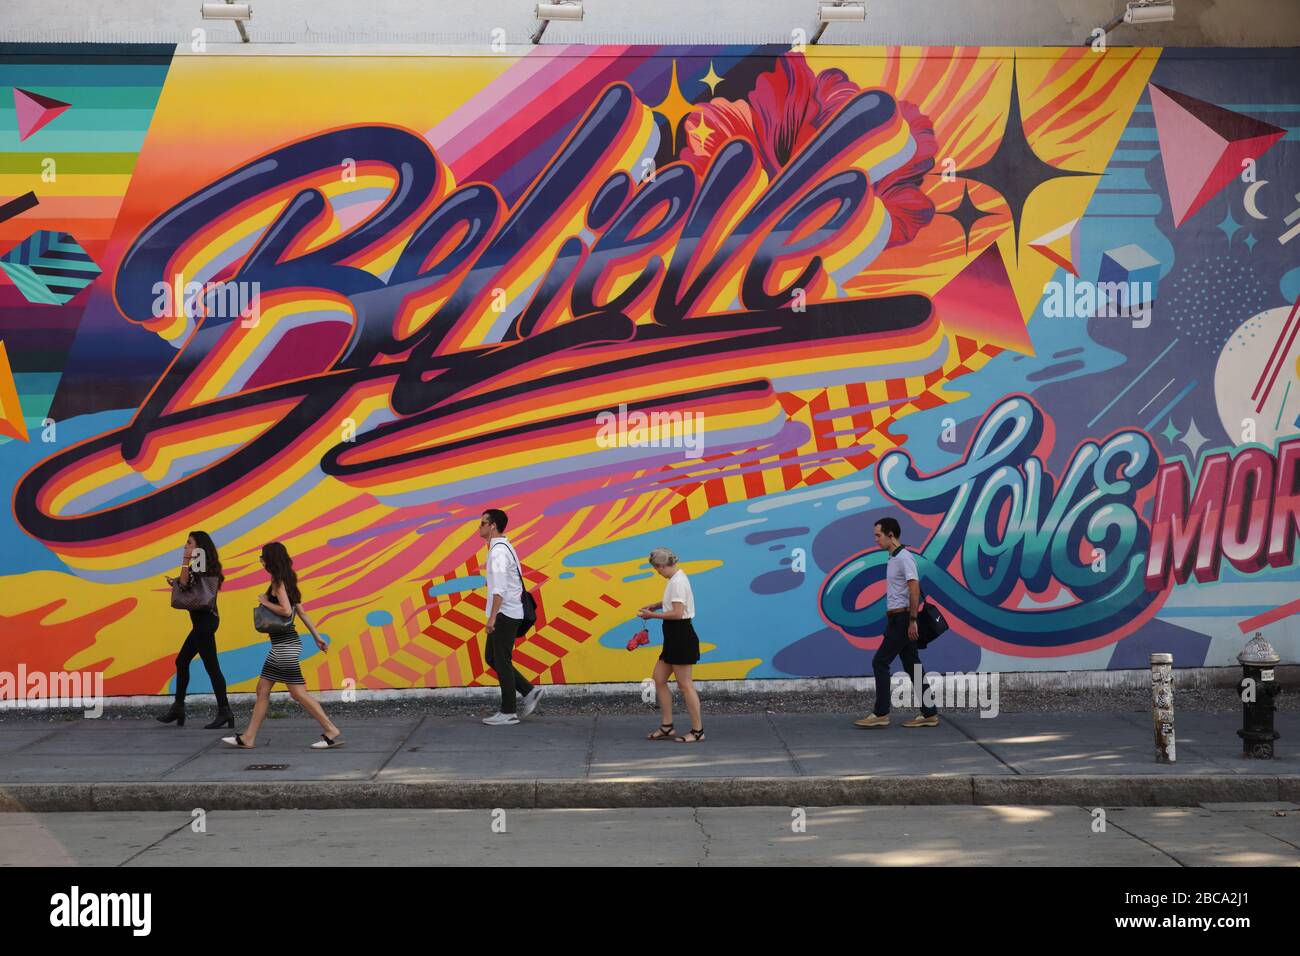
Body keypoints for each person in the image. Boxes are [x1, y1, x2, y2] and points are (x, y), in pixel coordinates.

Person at [222, 542, 343, 749]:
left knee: (292, 692)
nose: (261, 561)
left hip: (285, 645)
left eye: (263, 557)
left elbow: (287, 611)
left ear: (270, 559)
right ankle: (249, 737)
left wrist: (264, 601)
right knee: (267, 690)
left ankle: (330, 729)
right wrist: (316, 637)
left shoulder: (279, 583)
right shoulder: (287, 579)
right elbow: (301, 613)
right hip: (286, 644)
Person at [855, 517, 939, 728]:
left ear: (890, 535)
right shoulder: (893, 558)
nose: (875, 539)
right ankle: (929, 713)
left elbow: (914, 588)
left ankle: (881, 713)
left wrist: (912, 620)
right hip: (896, 618)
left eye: (878, 535)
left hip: (903, 619)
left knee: (880, 662)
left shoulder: (904, 558)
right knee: (912, 664)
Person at [158, 530, 233, 729]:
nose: (186, 546)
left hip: (205, 623)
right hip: (204, 622)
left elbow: (186, 583)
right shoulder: (207, 564)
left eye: (189, 543)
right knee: (183, 661)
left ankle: (224, 711)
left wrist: (185, 561)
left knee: (211, 667)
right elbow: (192, 583)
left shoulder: (199, 562)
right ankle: (179, 707)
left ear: (199, 547)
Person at [478, 509, 543, 726]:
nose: (480, 527)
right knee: (493, 658)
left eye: (483, 523)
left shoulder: (497, 552)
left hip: (505, 613)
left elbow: (499, 590)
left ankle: (508, 711)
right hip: (510, 610)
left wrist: (492, 618)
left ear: (493, 525)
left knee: (502, 660)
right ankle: (528, 690)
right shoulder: (505, 545)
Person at [638, 547, 704, 743]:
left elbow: (677, 613)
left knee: (685, 686)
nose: (657, 572)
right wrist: (656, 605)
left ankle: (698, 731)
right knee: (659, 678)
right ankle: (667, 726)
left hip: (681, 636)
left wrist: (652, 615)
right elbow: (672, 604)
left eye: (657, 568)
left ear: (663, 565)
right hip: (674, 637)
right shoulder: (676, 579)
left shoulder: (678, 582)